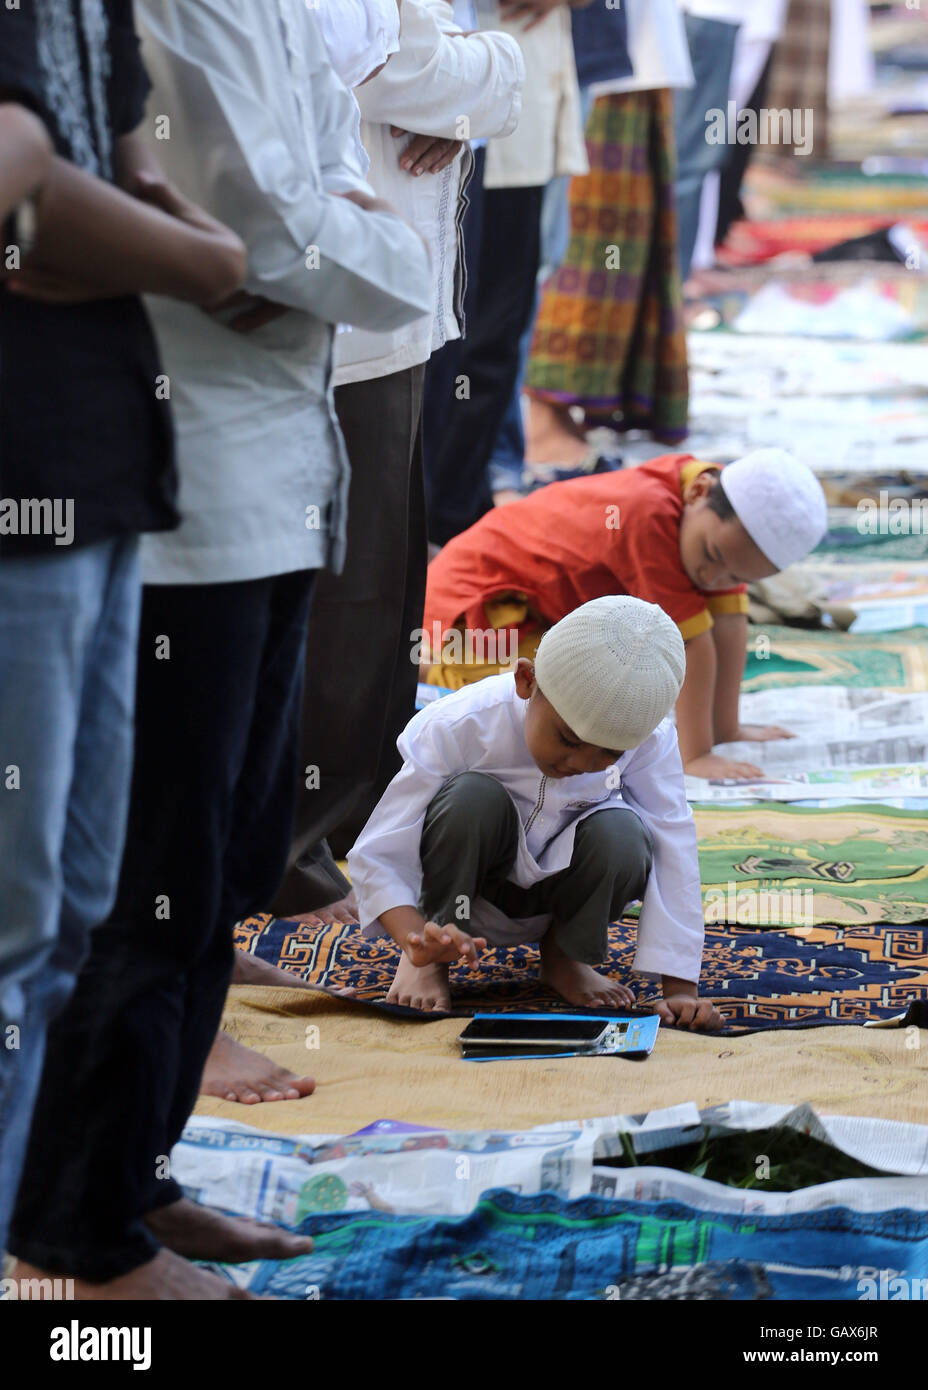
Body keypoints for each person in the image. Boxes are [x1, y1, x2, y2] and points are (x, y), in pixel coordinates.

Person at [6, 0, 431, 1301]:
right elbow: (272, 232)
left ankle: (128, 1175)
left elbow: (311, 224)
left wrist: (319, 231)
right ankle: (84, 1228)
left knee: (210, 866)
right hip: (190, 495)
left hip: (263, 477)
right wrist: (304, 236)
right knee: (136, 886)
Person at [0, 0, 245, 1275]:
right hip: (24, 488)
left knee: (62, 923)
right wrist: (188, 257)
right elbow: (16, 182)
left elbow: (105, 171)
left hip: (97, 470)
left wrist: (156, 242)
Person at [349, 596, 724, 1028]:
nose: (581, 763)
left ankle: (566, 957)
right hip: (466, 898)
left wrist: (680, 992)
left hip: (557, 901)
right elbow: (379, 848)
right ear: (527, 681)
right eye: (567, 739)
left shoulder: (651, 741)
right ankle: (432, 962)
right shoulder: (461, 723)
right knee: (472, 798)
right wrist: (415, 940)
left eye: (608, 754)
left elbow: (673, 844)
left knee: (624, 833)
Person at [421, 449, 828, 779]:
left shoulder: (718, 524)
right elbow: (692, 643)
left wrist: (727, 730)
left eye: (737, 577)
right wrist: (697, 755)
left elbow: (729, 620)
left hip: (546, 613)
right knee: (526, 699)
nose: (713, 578)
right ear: (698, 492)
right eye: (712, 557)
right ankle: (426, 667)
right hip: (482, 599)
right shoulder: (645, 512)